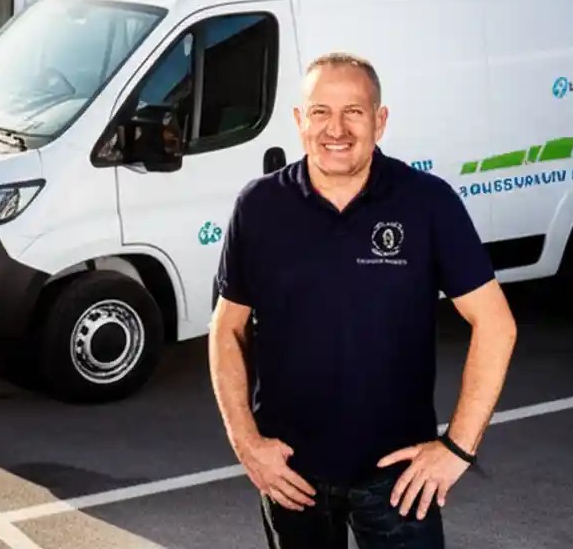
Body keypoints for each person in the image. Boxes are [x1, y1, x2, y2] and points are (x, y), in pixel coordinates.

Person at [208, 52, 518, 548]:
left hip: (398, 480)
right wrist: (247, 444)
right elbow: (227, 329)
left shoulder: (426, 203)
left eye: (354, 111)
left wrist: (457, 449)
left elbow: (496, 325)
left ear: (380, 119)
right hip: (291, 476)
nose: (337, 129)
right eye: (320, 111)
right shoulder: (260, 206)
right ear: (298, 121)